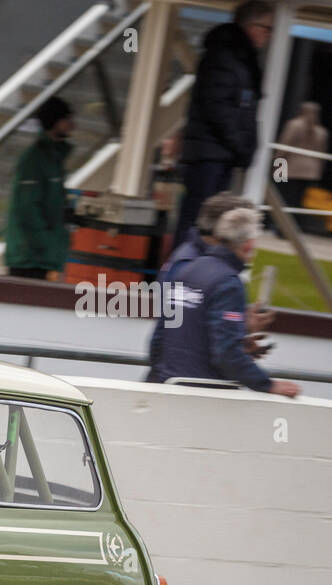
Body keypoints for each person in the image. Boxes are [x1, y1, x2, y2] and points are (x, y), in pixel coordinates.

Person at [148, 207, 300, 397]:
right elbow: (226, 354)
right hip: (203, 396)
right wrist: (268, 385)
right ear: (248, 245)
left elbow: (160, 336)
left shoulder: (187, 271)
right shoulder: (229, 283)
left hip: (164, 385)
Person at [174, 0, 272, 247]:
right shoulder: (226, 56)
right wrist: (242, 145)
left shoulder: (237, 58)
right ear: (250, 26)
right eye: (266, 27)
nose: (268, 35)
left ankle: (188, 277)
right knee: (199, 222)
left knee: (208, 225)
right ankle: (176, 279)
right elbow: (217, 107)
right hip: (211, 155)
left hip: (218, 153)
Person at [4, 96, 73, 280]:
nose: (71, 125)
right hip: (30, 256)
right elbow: (28, 208)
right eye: (67, 119)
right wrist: (49, 242)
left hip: (43, 255)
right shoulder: (35, 159)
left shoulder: (54, 158)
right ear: (55, 121)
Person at [275, 101, 327, 230]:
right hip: (310, 171)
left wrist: (277, 160)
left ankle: (282, 228)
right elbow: (321, 154)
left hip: (291, 167)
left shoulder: (294, 125)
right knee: (299, 200)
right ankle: (294, 228)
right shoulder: (322, 131)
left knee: (285, 198)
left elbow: (284, 146)